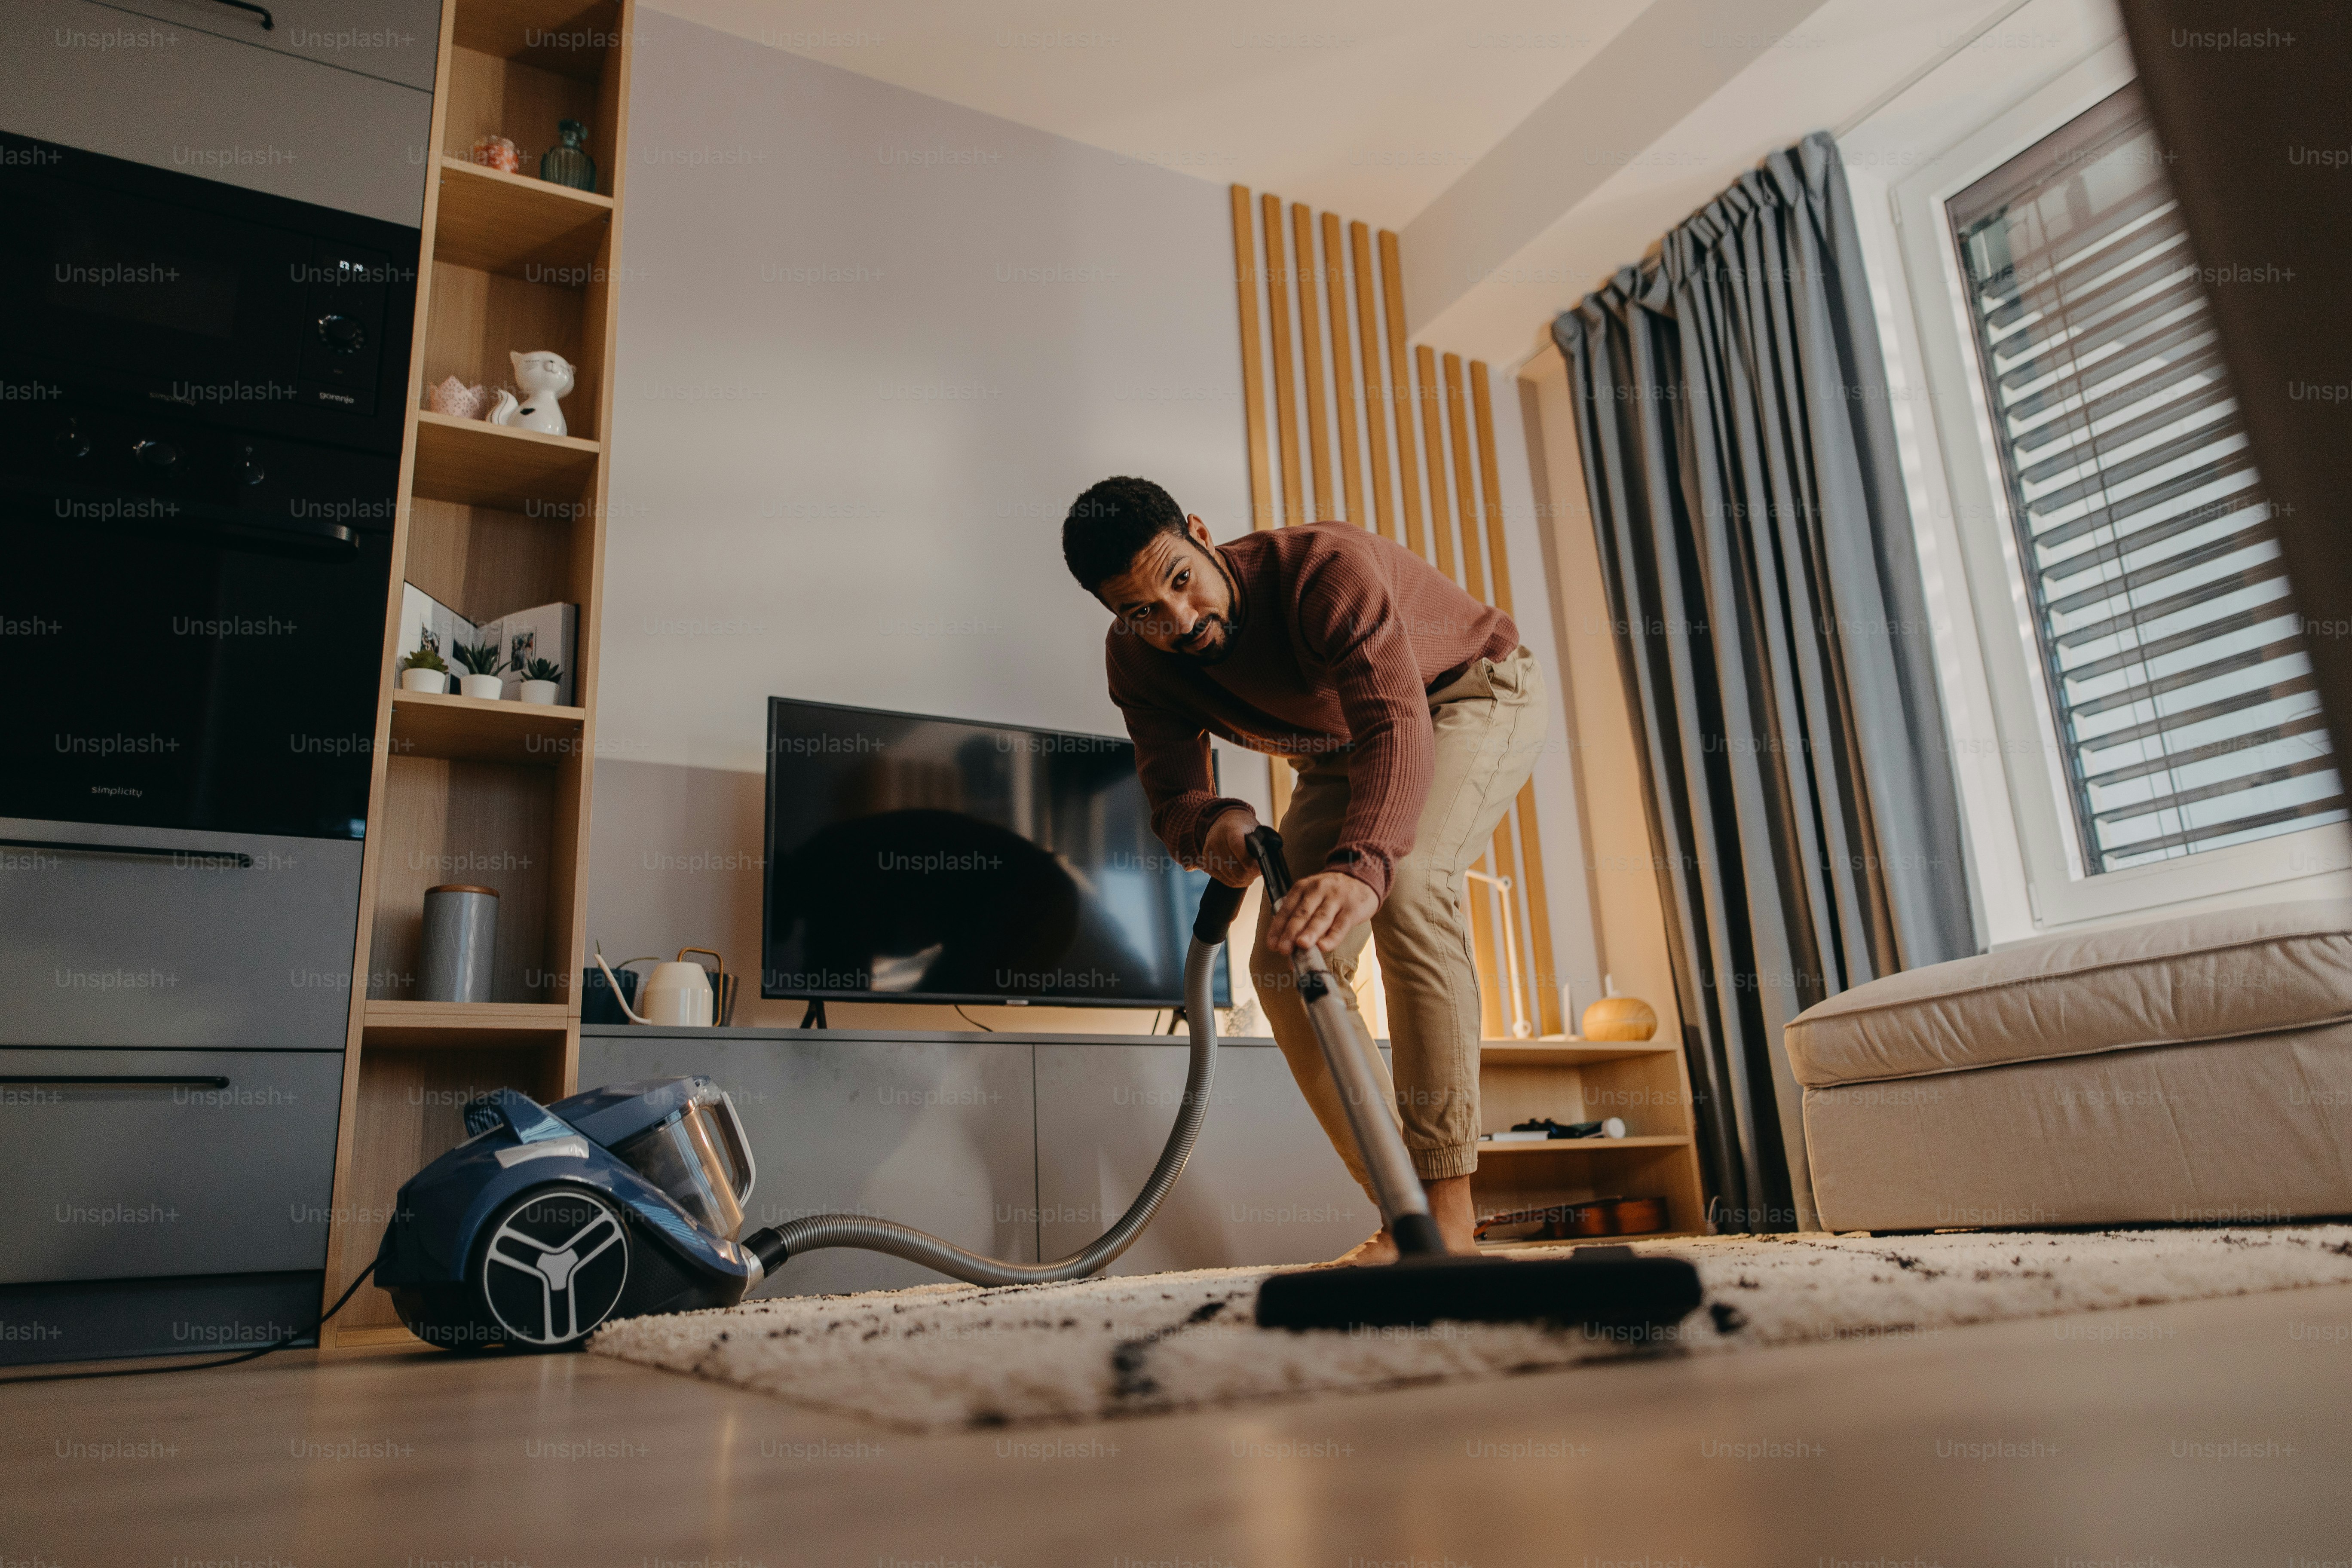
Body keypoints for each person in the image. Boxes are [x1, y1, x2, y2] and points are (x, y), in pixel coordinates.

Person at [1061, 476, 1547, 1260]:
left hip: (1467, 695)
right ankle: (1405, 1213)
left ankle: (1449, 1220)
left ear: (1200, 532)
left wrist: (1364, 865)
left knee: (1412, 887)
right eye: (1142, 612)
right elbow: (1176, 798)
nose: (1178, 622)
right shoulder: (1137, 662)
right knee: (1284, 963)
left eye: (1181, 581)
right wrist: (1216, 826)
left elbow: (1395, 720)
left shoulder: (1324, 571)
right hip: (1335, 754)